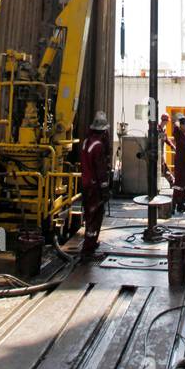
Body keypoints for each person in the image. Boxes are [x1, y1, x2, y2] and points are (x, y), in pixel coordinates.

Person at [80, 110, 111, 260]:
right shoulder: (98, 145)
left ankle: (90, 243)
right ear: (103, 130)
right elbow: (100, 170)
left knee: (89, 215)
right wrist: (105, 189)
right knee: (95, 216)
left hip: (86, 184)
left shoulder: (87, 141)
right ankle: (88, 250)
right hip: (94, 187)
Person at [159, 113, 175, 189]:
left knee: (163, 167)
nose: (168, 123)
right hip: (157, 151)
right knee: (163, 168)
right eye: (167, 121)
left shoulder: (163, 129)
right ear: (164, 121)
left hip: (160, 152)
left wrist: (172, 146)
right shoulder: (157, 129)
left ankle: (172, 181)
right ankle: (172, 181)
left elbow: (166, 139)